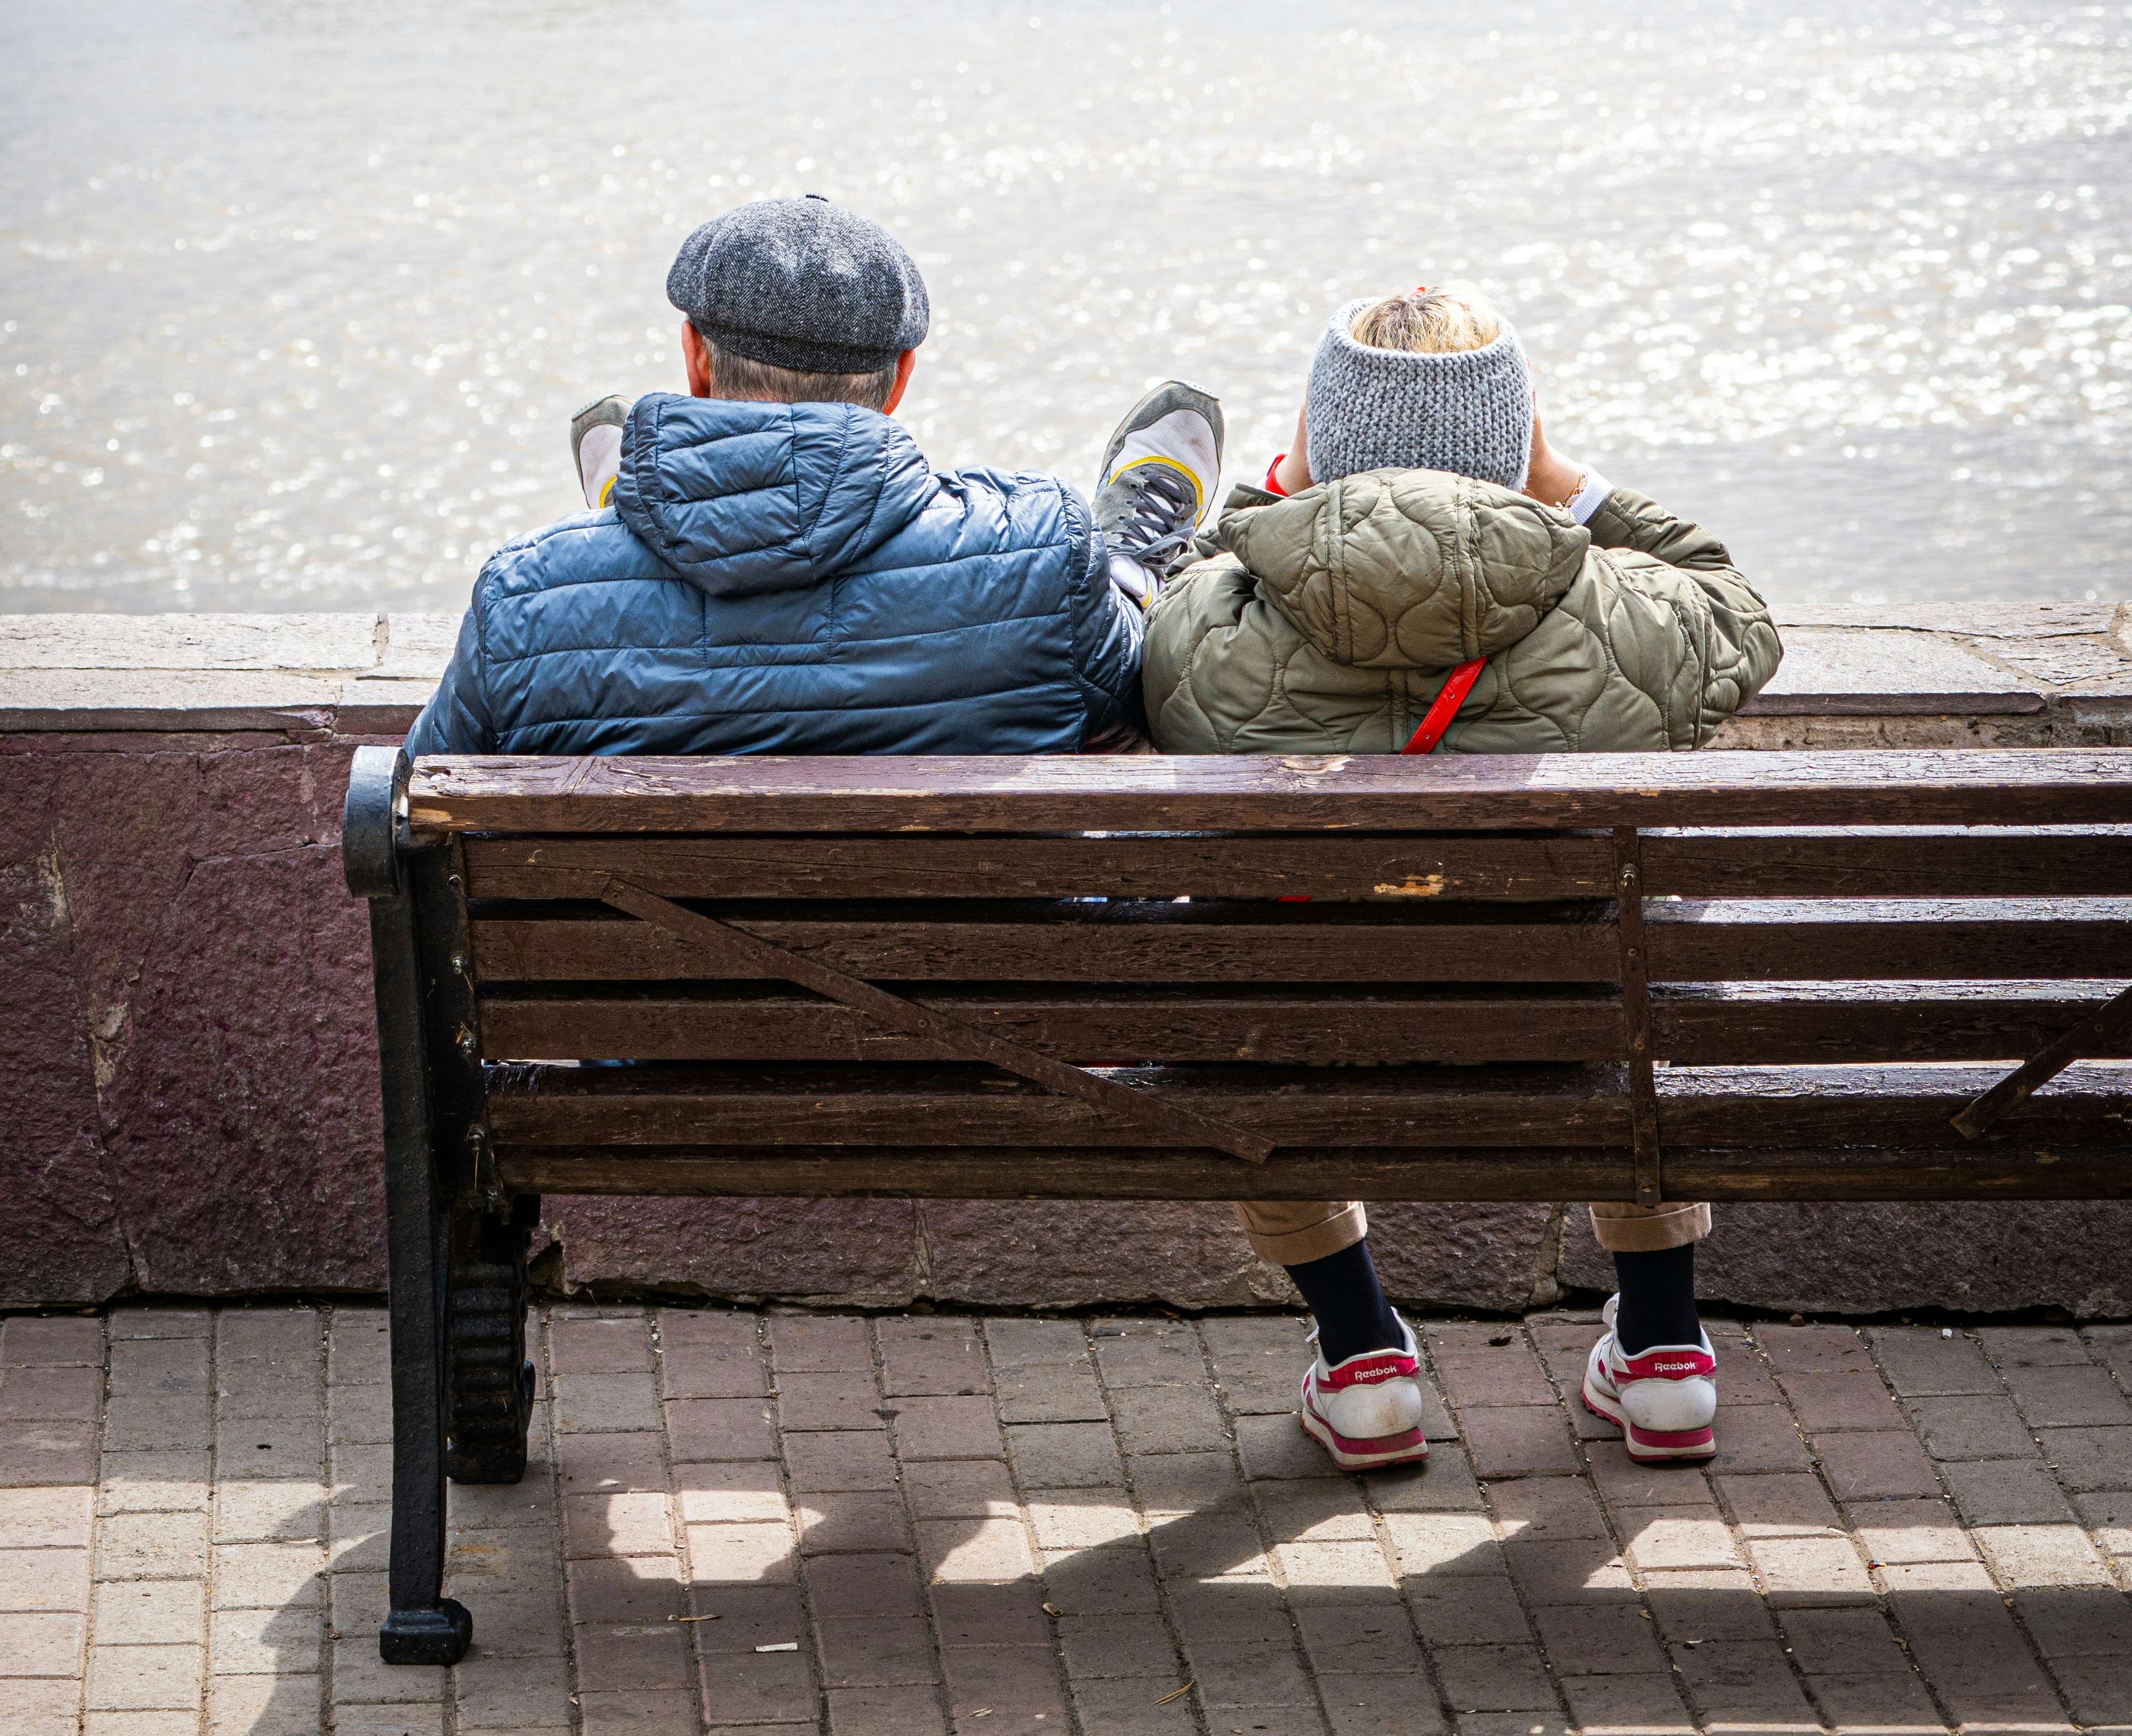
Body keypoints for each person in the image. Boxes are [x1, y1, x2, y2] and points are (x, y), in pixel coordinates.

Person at [1141, 278, 1782, 1475]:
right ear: (1513, 449)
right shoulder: (1625, 617)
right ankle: (1661, 1352)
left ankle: (1362, 1356)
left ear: (1319, 442)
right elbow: (1739, 611)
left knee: (1231, 968)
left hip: (1296, 1043)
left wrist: (1279, 498)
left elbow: (1168, 589)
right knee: (1632, 960)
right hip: (1561, 1033)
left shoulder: (1208, 635)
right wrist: (1575, 489)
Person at [405, 191, 1225, 758]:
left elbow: (411, 812)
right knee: (1116, 592)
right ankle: (1134, 555)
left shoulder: (522, 602)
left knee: (593, 586)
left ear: (693, 360)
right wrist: (1110, 565)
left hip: (636, 1010)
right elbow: (1146, 701)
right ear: (900, 382)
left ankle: (633, 516)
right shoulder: (1039, 558)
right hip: (973, 1003)